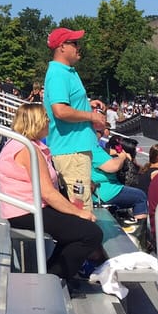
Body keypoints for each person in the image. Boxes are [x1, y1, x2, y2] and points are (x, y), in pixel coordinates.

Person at [0, 102, 103, 280]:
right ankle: (53, 277)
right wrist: (79, 212)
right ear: (35, 122)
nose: (48, 122)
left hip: (29, 207)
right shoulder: (27, 150)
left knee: (78, 229)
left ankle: (53, 274)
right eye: (45, 119)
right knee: (91, 234)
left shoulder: (21, 144)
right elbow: (47, 192)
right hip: (26, 211)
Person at [43, 27, 106, 212]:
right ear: (62, 47)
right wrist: (92, 115)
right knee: (81, 208)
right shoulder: (58, 73)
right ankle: (85, 240)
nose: (79, 47)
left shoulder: (66, 71)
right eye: (75, 43)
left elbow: (65, 103)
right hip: (71, 152)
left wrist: (86, 103)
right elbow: (60, 110)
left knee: (81, 204)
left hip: (75, 150)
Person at [92, 138, 148, 232]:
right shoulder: (94, 150)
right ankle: (140, 234)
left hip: (104, 189)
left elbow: (106, 151)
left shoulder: (94, 149)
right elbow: (113, 167)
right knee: (140, 196)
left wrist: (117, 152)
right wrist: (122, 157)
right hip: (103, 191)